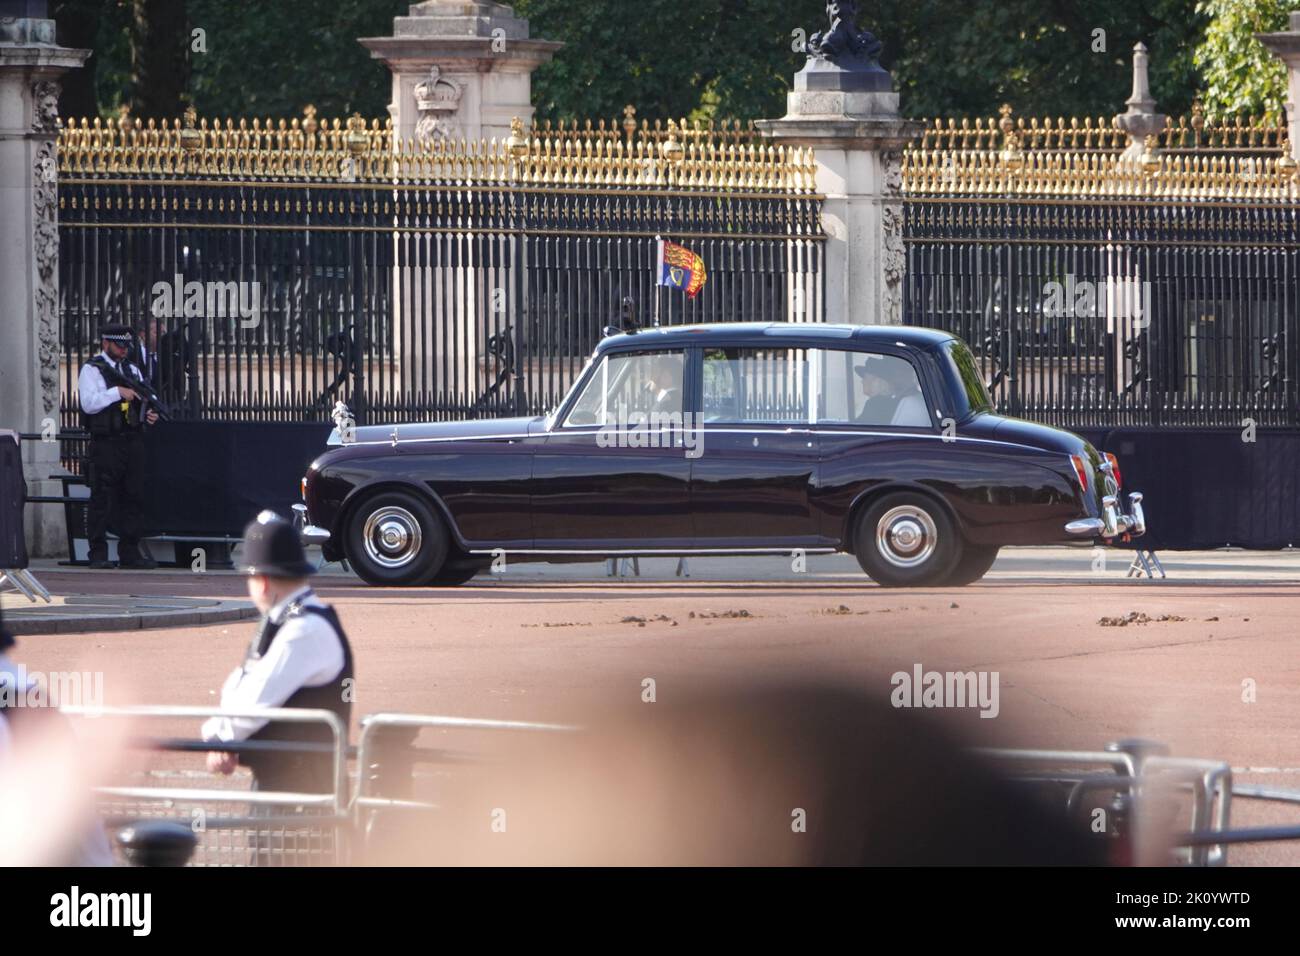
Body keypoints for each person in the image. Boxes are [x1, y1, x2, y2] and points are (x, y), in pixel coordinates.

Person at [202, 511, 352, 796]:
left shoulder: (303, 629)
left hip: (302, 793)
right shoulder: (285, 621)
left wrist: (220, 737)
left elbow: (256, 700)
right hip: (290, 783)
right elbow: (242, 684)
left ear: (262, 581)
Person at [78, 323, 158, 570]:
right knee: (102, 497)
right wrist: (117, 392)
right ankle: (98, 552)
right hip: (106, 442)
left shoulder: (132, 369)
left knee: (133, 496)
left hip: (131, 440)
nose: (124, 350)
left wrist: (149, 413)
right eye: (119, 345)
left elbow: (145, 399)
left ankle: (130, 552)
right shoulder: (92, 369)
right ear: (105, 343)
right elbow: (89, 404)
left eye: (127, 346)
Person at [854, 357, 930, 427]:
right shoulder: (897, 402)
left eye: (867, 379)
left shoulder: (876, 404)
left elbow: (856, 428)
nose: (863, 381)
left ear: (879, 382)